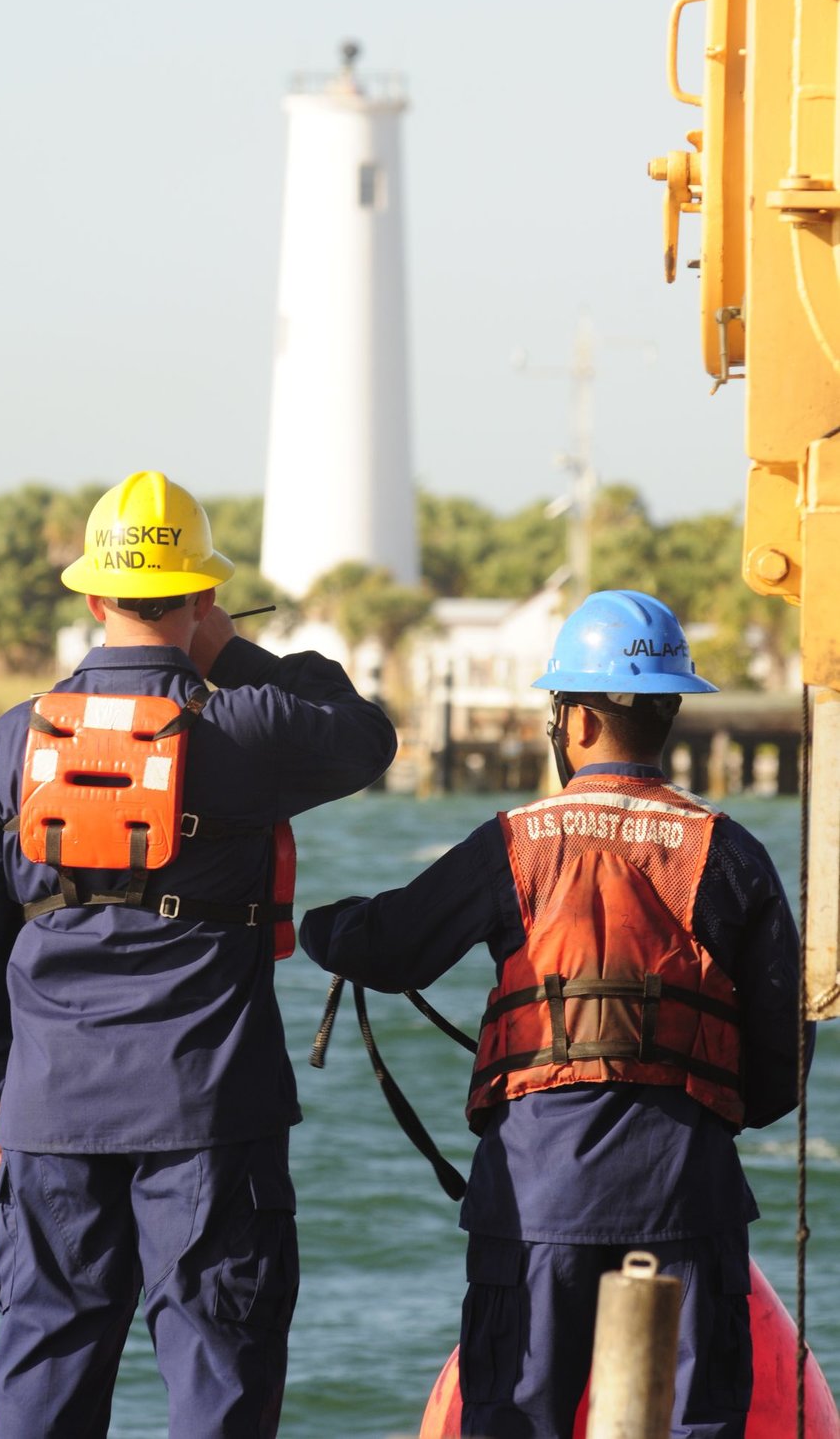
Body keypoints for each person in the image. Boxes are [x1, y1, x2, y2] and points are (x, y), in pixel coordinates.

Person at [0, 469, 397, 1439]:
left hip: (50, 1109)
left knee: (46, 1372)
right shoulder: (244, 729)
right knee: (220, 1373)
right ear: (201, 596)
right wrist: (234, 654)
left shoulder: (15, 744)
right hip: (209, 1112)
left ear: (94, 598)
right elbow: (366, 738)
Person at [300, 589, 811, 1439]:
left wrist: (315, 926)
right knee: (699, 1422)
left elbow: (391, 947)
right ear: (672, 713)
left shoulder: (516, 842)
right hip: (689, 1199)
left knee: (515, 1417)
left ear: (573, 723)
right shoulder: (729, 851)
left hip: (538, 1204)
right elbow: (781, 1057)